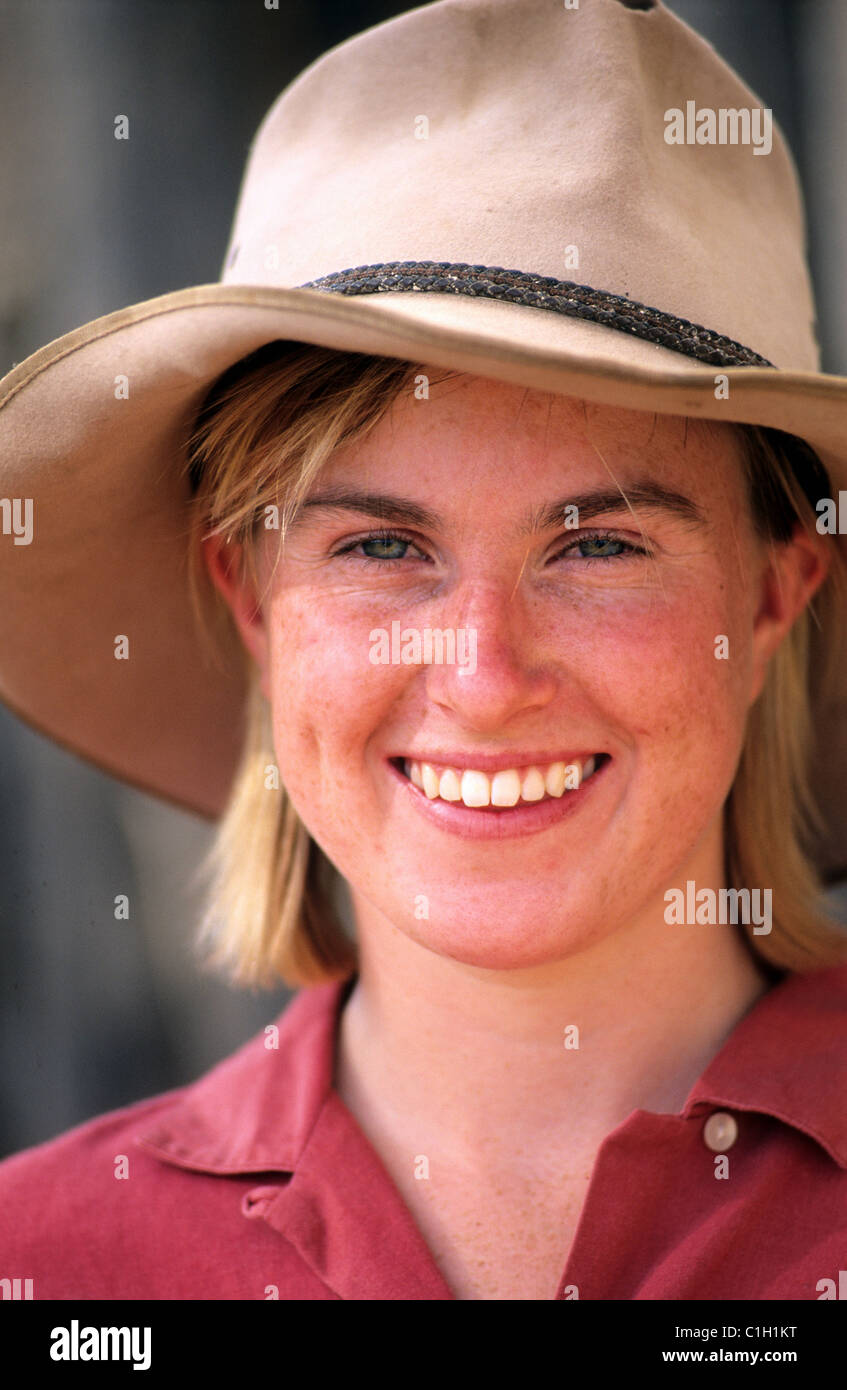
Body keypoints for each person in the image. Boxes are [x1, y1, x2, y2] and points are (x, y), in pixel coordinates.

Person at [0, 0, 846, 1302]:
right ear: (253, 600)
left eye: (598, 547)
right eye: (382, 548)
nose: (486, 674)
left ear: (780, 587)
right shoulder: (48, 1267)